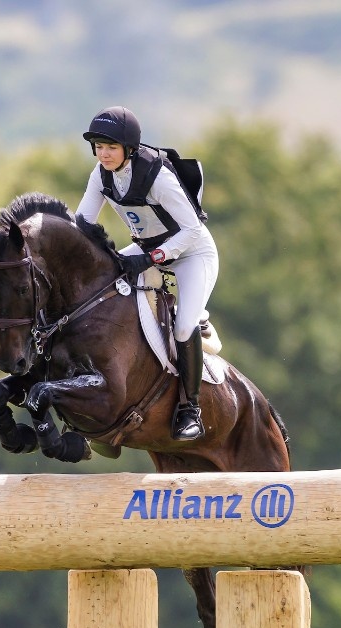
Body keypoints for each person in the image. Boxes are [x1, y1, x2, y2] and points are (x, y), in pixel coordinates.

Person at [75, 105, 216, 442]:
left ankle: (189, 410)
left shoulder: (158, 178)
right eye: (98, 147)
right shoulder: (102, 174)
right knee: (97, 296)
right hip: (144, 251)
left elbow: (193, 230)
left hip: (191, 255)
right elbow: (82, 223)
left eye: (110, 147)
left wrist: (154, 256)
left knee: (183, 326)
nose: (103, 154)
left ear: (129, 149)